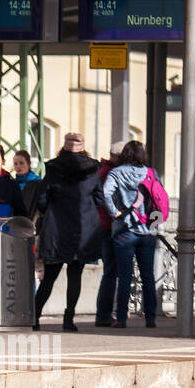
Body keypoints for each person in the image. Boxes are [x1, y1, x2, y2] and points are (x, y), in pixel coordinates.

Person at [33, 133, 104, 332]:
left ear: (64, 148)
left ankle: (35, 317)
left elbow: (42, 200)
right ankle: (68, 319)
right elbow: (100, 199)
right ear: (83, 148)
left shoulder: (54, 169)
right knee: (75, 277)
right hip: (82, 230)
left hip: (57, 230)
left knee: (49, 277)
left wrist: (50, 211)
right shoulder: (92, 171)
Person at [102, 140, 169, 328]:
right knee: (147, 275)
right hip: (147, 231)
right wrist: (155, 225)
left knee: (124, 276)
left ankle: (122, 318)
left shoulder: (116, 173)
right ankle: (151, 318)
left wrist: (114, 212)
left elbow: (106, 194)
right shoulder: (151, 173)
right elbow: (160, 197)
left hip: (125, 230)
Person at [93, 140, 125, 327]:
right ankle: (104, 314)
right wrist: (117, 214)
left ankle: (105, 313)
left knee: (110, 272)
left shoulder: (102, 169)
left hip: (103, 225)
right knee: (111, 272)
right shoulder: (110, 173)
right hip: (109, 226)